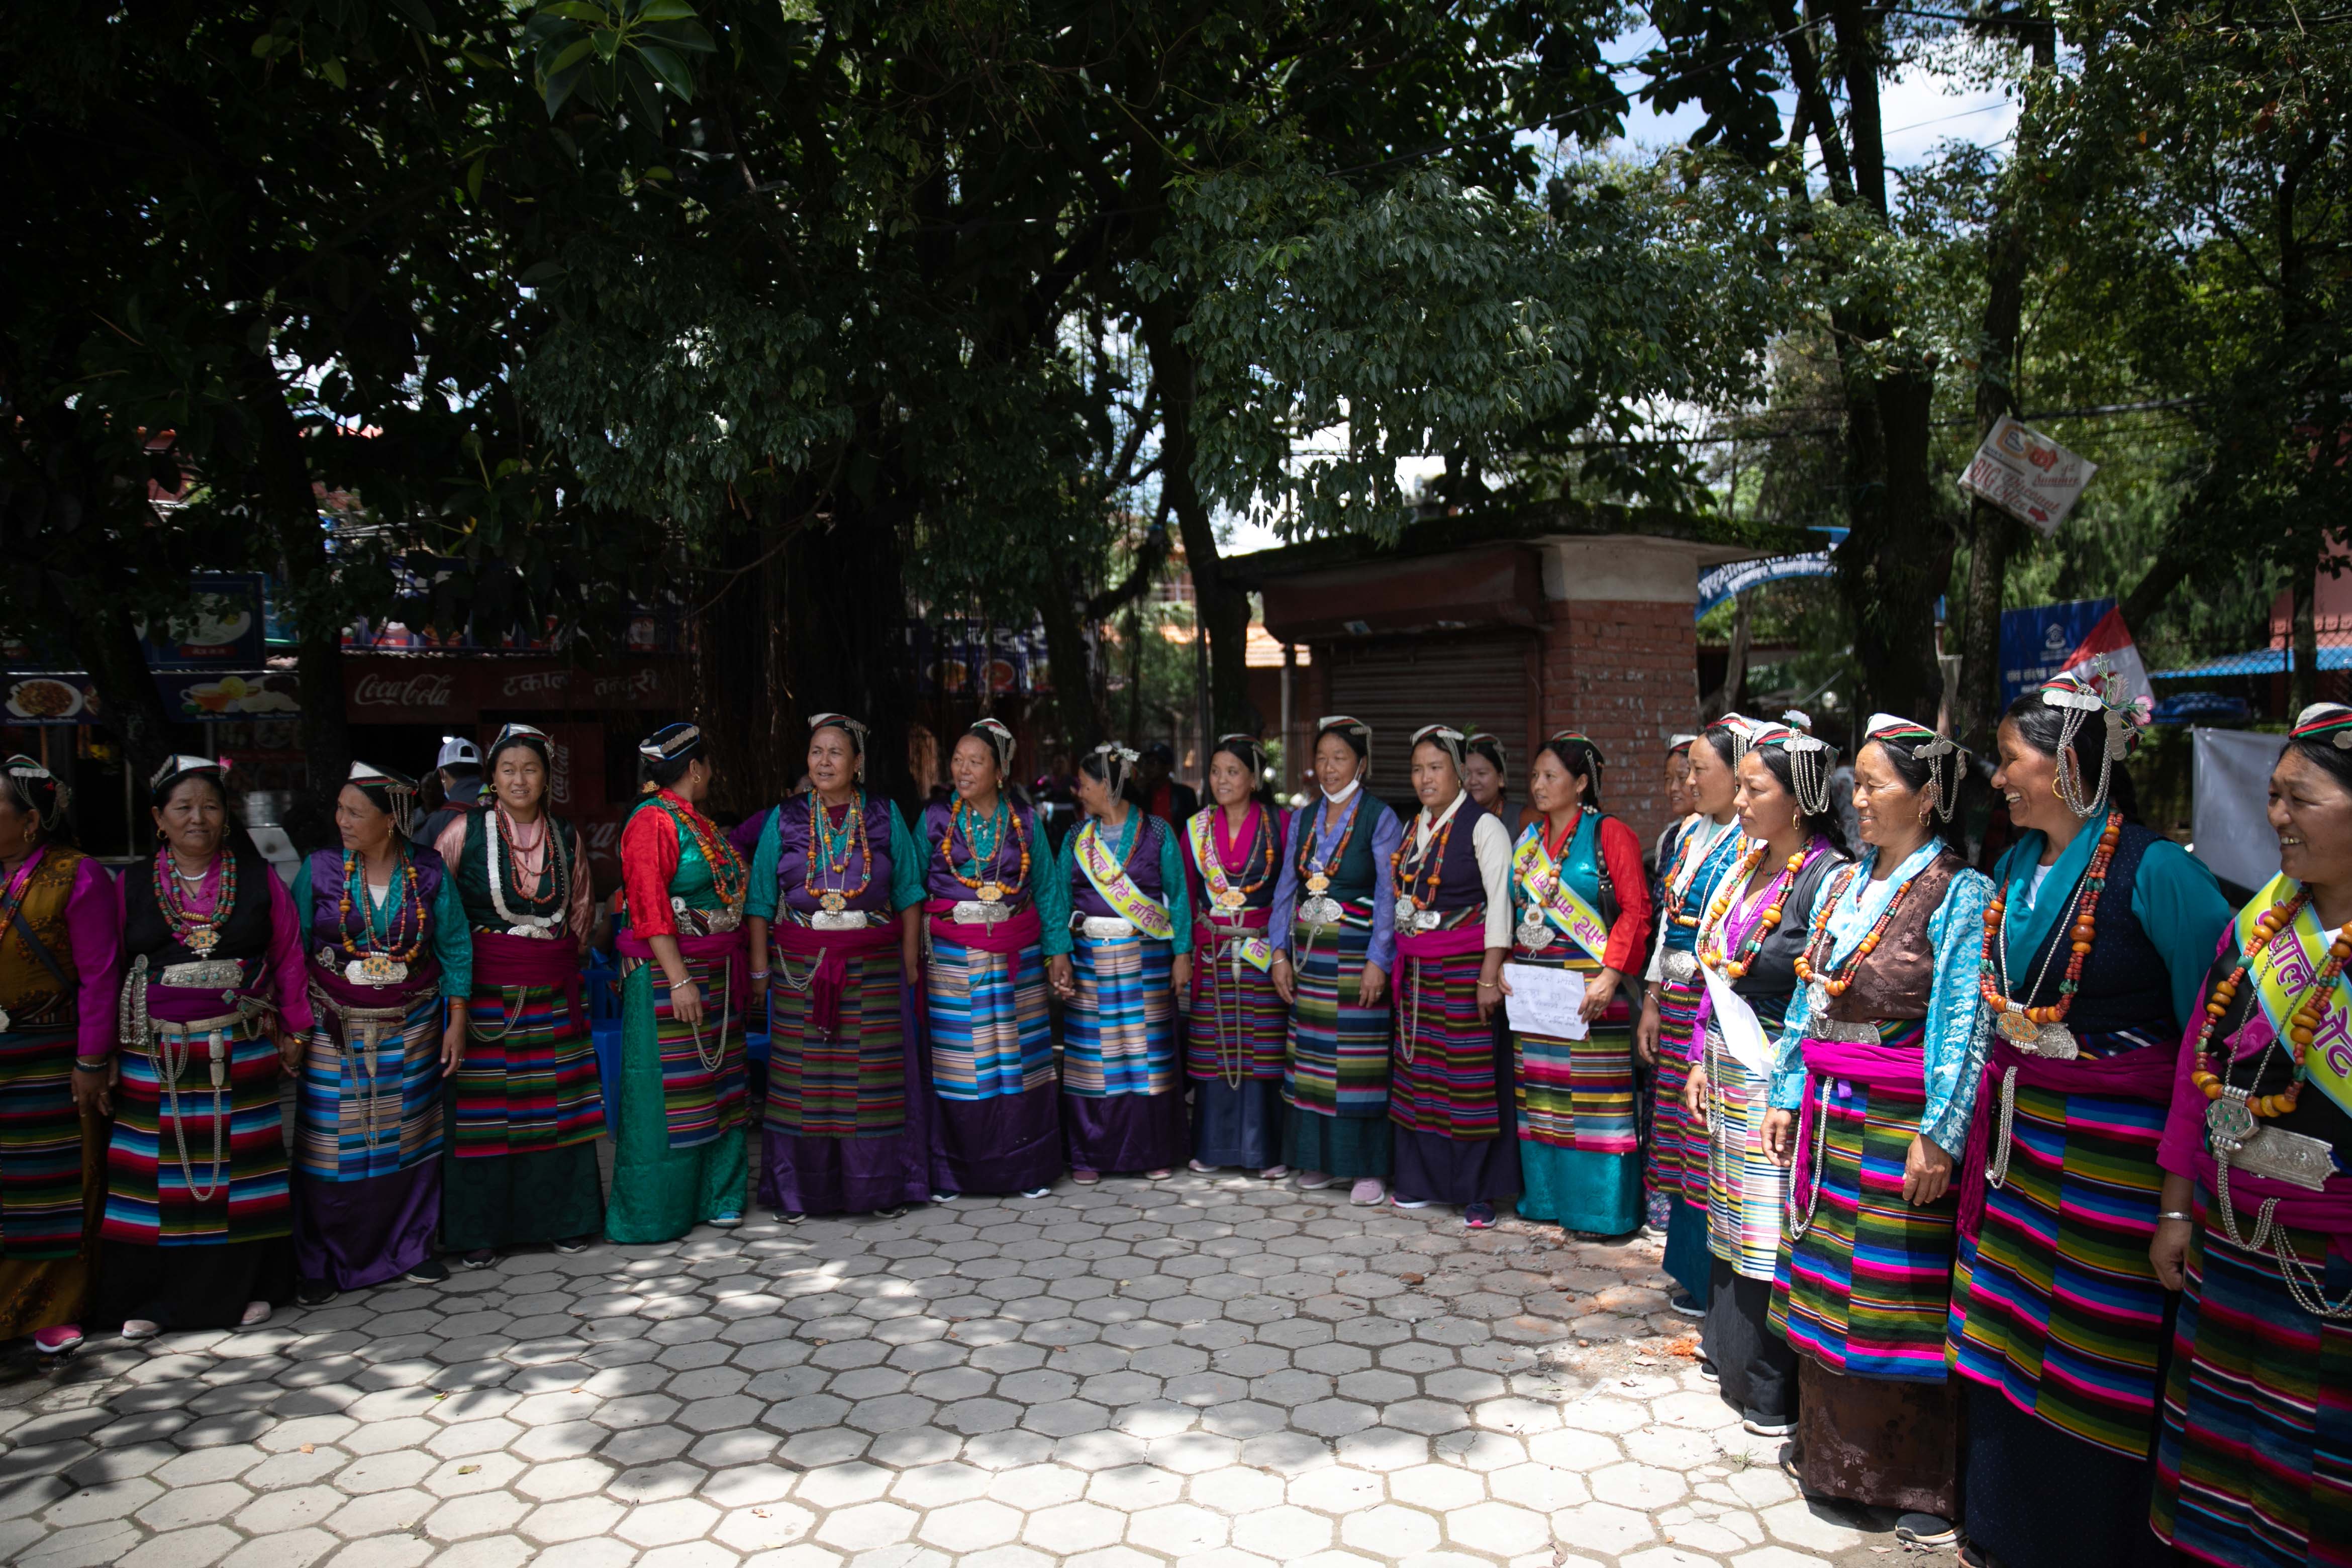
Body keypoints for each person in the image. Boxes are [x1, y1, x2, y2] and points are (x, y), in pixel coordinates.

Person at [1943, 671, 2229, 1568]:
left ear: (2070, 766)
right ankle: (2002, 1525)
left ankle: (2081, 1541)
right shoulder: (2014, 869)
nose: (1998, 778)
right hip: (2019, 1153)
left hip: (2117, 1167)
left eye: (2012, 759)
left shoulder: (2159, 872)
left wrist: (2183, 1198)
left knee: (2092, 1348)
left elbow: (2210, 1033)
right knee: (2006, 1333)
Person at [1762, 713, 1992, 1534]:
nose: (1854, 800)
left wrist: (1942, 1131)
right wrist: (1787, 1091)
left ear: (1926, 797)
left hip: (1899, 1126)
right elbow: (1807, 1001)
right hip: (1829, 1111)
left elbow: (1965, 1022)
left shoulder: (1962, 893)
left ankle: (1913, 1485)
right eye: (1852, 784)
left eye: (1872, 784)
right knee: (1826, 1286)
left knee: (1896, 1297)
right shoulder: (1842, 886)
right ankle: (1830, 1459)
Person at [2147, 702, 2352, 1568]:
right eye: (2272, 797)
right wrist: (2176, 1209)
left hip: (2332, 1272)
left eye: (2299, 801)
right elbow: (2199, 1076)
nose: (2276, 819)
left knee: (2314, 1482)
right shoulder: (2256, 927)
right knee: (2222, 1462)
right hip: (2230, 1249)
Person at [97, 756, 310, 1337]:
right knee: (152, 1178)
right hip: (153, 1056)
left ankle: (251, 1290)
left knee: (242, 1173)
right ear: (158, 819)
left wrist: (295, 1030)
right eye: (184, 807)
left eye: (211, 806)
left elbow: (289, 955)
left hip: (239, 1048)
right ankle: (149, 1300)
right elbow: (107, 968)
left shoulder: (258, 878)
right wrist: (101, 1052)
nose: (199, 818)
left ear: (226, 817)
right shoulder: (132, 884)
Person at [1682, 715, 1846, 1438]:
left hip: (1777, 1072)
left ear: (1800, 797)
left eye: (1756, 789)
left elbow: (1816, 1001)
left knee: (1769, 1229)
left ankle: (1768, 1386)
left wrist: (1784, 1085)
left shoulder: (1826, 878)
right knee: (1728, 1218)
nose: (1741, 803)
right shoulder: (1747, 864)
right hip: (1725, 1063)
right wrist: (1696, 1053)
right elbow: (1719, 970)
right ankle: (1728, 1352)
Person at [288, 763, 470, 1302]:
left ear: (389, 820)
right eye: (340, 810)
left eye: (354, 812)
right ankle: (321, 1262)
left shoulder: (430, 871)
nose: (341, 821)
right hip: (333, 1031)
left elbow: (455, 946)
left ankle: (410, 1249)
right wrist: (295, 1030)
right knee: (329, 1150)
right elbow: (291, 950)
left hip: (411, 1027)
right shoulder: (319, 871)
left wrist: (456, 1021)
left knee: (408, 1145)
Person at [746, 714, 928, 1222]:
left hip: (872, 965)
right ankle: (799, 1193)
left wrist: (910, 960)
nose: (824, 762)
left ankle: (877, 1190)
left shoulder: (884, 814)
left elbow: (910, 891)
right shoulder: (783, 819)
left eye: (836, 753)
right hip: (798, 969)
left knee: (870, 1083)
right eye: (816, 752)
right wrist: (760, 970)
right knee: (801, 1085)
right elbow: (760, 898)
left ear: (858, 764)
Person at [432, 724, 603, 1265]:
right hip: (484, 997)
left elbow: (579, 909)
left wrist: (555, 960)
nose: (519, 779)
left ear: (547, 777)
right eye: (508, 770)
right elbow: (440, 910)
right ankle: (479, 1233)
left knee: (560, 1109)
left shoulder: (565, 835)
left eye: (530, 769)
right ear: (492, 779)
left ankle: (565, 1220)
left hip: (552, 990)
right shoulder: (463, 833)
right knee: (486, 1115)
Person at [1502, 732, 1651, 1238]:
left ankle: (1600, 1212)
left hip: (1589, 991)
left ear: (1581, 782)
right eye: (1536, 777)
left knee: (1594, 1103)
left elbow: (1635, 910)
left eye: (1551, 777)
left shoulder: (1610, 834)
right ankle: (1545, 1201)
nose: (1539, 786)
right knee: (1541, 1095)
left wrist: (1611, 975)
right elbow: (1513, 906)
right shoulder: (1529, 841)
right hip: (1535, 990)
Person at [611, 723, 752, 1242]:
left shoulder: (698, 823)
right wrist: (678, 980)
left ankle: (721, 1196)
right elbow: (648, 907)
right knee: (670, 1094)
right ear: (695, 769)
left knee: (719, 1089)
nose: (711, 773)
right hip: (675, 973)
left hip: (718, 967)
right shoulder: (651, 822)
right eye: (709, 764)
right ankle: (658, 1210)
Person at [1, 759, 119, 1356]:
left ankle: (57, 1309)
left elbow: (100, 977)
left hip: (53, 1053)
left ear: (28, 822)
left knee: (57, 1184)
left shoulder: (78, 875)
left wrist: (92, 1060)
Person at [919, 719, 1065, 1198]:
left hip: (1016, 955)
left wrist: (1057, 953)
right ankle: (953, 1173)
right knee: (962, 1065)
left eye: (975, 761)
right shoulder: (935, 819)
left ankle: (1025, 1169)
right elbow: (910, 885)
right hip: (952, 958)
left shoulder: (1024, 820)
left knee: (1018, 1060)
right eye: (958, 760)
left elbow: (1045, 887)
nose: (962, 769)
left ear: (1000, 770)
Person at [1640, 716, 1752, 1313]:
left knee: (1709, 1136)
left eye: (1700, 769)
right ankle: (1686, 1265)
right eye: (1688, 769)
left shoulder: (1751, 841)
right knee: (1680, 1136)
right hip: (1677, 997)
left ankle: (1715, 1277)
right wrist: (1653, 998)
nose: (1688, 778)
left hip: (1717, 1006)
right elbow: (1667, 923)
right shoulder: (1687, 833)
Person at [1386, 725, 1518, 1228]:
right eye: (1418, 769)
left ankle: (1476, 1192)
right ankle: (1421, 1182)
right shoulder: (1410, 827)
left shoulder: (1482, 826)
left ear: (1459, 771)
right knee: (1419, 1076)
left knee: (1467, 1082)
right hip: (1417, 973)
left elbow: (1500, 901)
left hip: (1464, 970)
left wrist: (1491, 973)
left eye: (1436, 767)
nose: (1425, 778)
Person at [1270, 717, 1405, 1205]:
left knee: (1357, 1063)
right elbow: (1286, 888)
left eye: (1340, 759)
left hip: (1356, 954)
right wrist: (1278, 953)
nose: (1328, 768)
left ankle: (1366, 1167)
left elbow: (1389, 896)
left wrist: (1379, 960)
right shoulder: (1303, 818)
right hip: (1309, 957)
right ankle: (1320, 1161)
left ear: (1361, 765)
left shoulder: (1380, 817)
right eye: (1322, 758)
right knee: (1311, 1060)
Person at [1046, 744, 1193, 1182]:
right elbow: (1057, 900)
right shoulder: (1076, 838)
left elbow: (1180, 895)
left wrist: (1182, 954)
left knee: (1146, 1059)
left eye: (1085, 783)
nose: (1079, 790)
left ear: (1109, 785)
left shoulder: (1158, 833)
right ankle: (1092, 1155)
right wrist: (1059, 954)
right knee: (1094, 1062)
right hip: (1090, 960)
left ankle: (1152, 1152)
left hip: (1146, 959)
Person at [1183, 735, 1289, 1177]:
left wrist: (1281, 945)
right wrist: (1187, 952)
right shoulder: (1196, 827)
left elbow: (1289, 889)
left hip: (1261, 948)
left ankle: (1264, 1152)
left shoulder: (1280, 823)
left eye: (1232, 772)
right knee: (1213, 1049)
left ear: (1252, 779)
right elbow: (1188, 895)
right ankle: (1214, 1148)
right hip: (1213, 949)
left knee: (1262, 1049)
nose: (1221, 780)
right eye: (1215, 772)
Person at [412, 735, 485, 850]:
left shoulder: (437, 823)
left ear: (442, 774)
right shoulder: (504, 806)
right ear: (482, 772)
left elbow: (419, 865)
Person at [1463, 732, 1525, 835]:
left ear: (1501, 778)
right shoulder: (1453, 818)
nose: (1473, 781)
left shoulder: (1523, 820)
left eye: (1481, 773)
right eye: (1467, 774)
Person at [1139, 741, 1200, 830]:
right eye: (1146, 763)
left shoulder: (1185, 794)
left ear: (1167, 767)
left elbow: (1194, 828)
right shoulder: (1143, 796)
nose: (1148, 768)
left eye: (1153, 763)